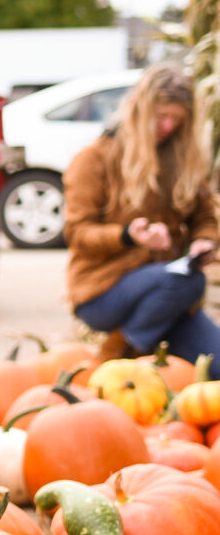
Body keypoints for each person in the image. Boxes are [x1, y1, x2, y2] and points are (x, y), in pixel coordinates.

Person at [66, 64, 220, 360]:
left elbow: (204, 216)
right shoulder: (94, 158)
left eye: (177, 119)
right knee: (187, 280)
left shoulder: (183, 160)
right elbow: (78, 233)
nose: (168, 126)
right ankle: (117, 353)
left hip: (167, 297)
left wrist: (204, 240)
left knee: (216, 368)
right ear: (139, 110)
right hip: (103, 290)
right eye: (161, 116)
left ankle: (143, 339)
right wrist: (128, 236)